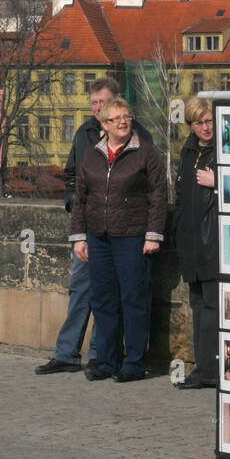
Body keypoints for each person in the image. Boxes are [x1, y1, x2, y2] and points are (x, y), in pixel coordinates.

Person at [35, 77, 153, 376]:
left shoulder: (140, 138)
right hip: (92, 230)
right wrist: (75, 207)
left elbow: (154, 190)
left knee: (121, 296)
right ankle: (69, 353)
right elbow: (73, 175)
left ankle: (107, 358)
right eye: (94, 104)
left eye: (103, 103)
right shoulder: (85, 134)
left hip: (127, 232)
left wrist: (151, 232)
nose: (97, 108)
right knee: (86, 291)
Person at [69, 96, 167, 383]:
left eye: (127, 117)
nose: (123, 122)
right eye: (116, 118)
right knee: (103, 300)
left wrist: (153, 235)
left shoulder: (146, 153)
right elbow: (81, 198)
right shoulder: (92, 154)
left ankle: (134, 362)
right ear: (104, 125)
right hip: (99, 237)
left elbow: (158, 196)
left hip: (133, 238)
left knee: (134, 300)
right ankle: (107, 360)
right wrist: (79, 238)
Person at [172, 97, 219, 389]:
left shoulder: (225, 150)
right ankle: (203, 368)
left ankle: (211, 370)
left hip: (213, 241)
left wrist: (219, 181)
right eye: (199, 122)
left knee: (213, 307)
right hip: (191, 241)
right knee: (198, 306)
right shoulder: (188, 152)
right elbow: (180, 197)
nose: (205, 127)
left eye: (209, 121)